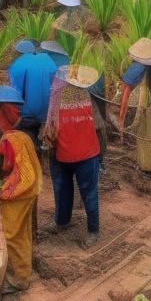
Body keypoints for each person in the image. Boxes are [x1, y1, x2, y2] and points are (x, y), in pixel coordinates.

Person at [43, 65, 102, 247]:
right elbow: (99, 126)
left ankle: (62, 222)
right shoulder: (88, 96)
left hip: (63, 153)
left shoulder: (56, 97)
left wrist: (47, 146)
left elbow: (50, 128)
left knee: (62, 189)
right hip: (88, 152)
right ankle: (93, 230)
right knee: (89, 192)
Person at [0, 128, 42, 291]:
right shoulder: (18, 135)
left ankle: (20, 279)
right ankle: (23, 272)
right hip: (28, 193)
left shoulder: (11, 141)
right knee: (23, 232)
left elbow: (27, 178)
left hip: (21, 196)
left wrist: (7, 193)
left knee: (13, 235)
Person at [8, 39, 59, 150]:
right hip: (48, 109)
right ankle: (42, 145)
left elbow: (15, 88)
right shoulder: (47, 59)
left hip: (26, 111)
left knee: (27, 134)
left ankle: (31, 148)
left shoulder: (17, 64)